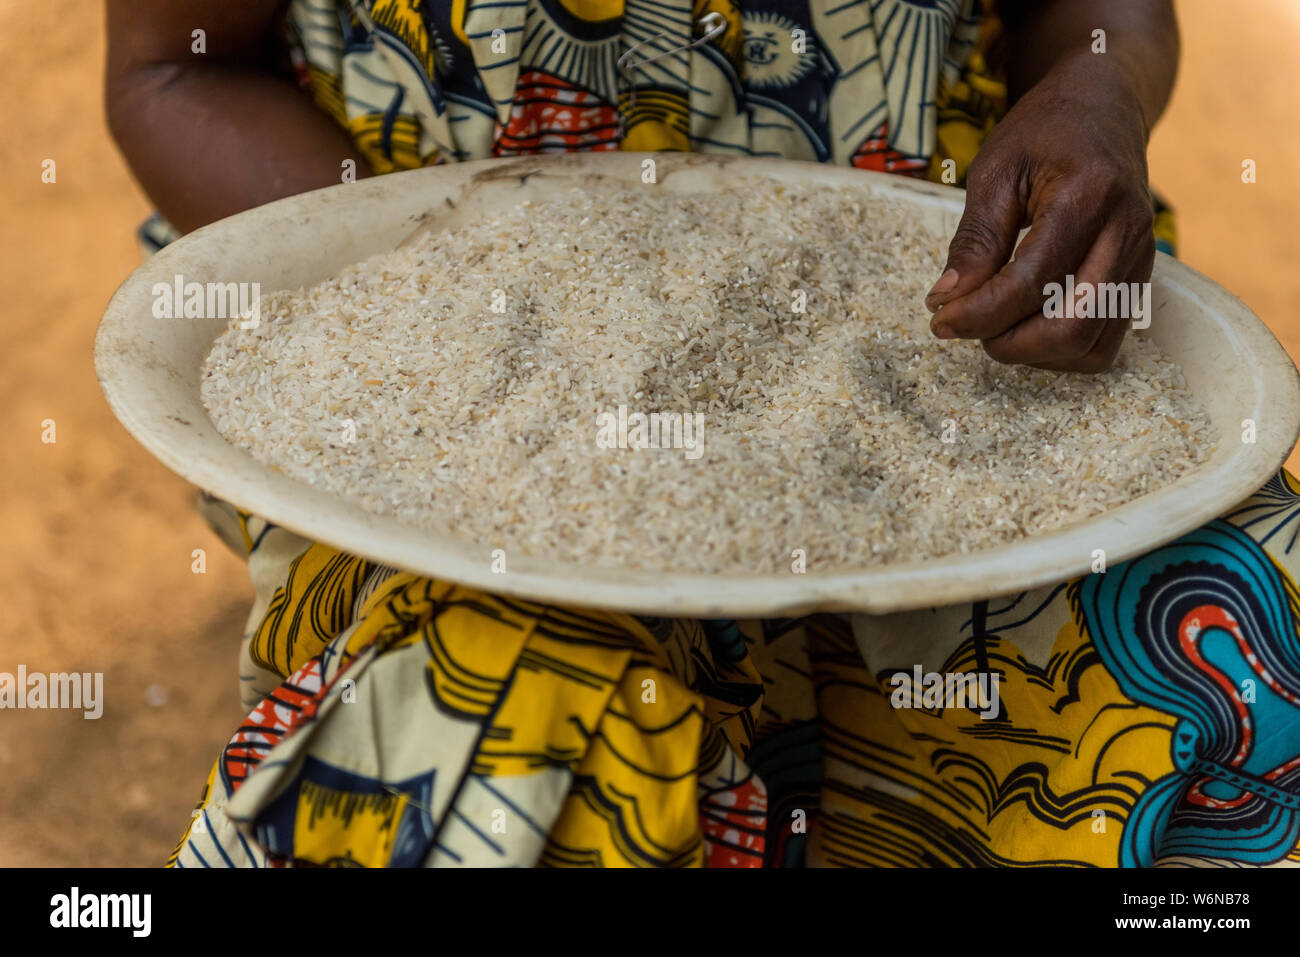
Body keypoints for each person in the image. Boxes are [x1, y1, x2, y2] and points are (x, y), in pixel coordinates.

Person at [106, 0, 1300, 867]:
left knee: (1255, 637)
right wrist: (437, 280)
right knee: (484, 751)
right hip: (442, 381)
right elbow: (171, 69)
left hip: (950, 345)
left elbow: (1096, 15)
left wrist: (1094, 92)